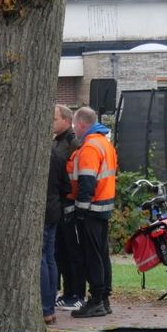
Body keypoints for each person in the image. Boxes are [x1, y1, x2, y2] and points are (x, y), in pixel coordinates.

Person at [68, 106, 118, 318]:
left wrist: (80, 209)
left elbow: (87, 181)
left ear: (81, 124)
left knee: (92, 255)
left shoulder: (90, 147)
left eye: (74, 126)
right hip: (103, 207)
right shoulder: (105, 143)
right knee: (101, 254)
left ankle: (96, 299)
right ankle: (104, 298)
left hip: (92, 209)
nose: (74, 130)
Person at [52, 104, 84, 310]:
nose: (52, 122)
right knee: (60, 251)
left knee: (73, 251)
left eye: (54, 118)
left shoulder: (73, 142)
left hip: (69, 203)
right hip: (59, 203)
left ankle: (78, 293)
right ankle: (67, 291)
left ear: (66, 120)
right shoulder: (57, 141)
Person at [41, 133, 71, 324]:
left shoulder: (39, 155)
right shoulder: (58, 154)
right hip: (54, 209)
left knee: (41, 259)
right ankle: (49, 308)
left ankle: (45, 308)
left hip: (42, 211)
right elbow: (66, 186)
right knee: (50, 258)